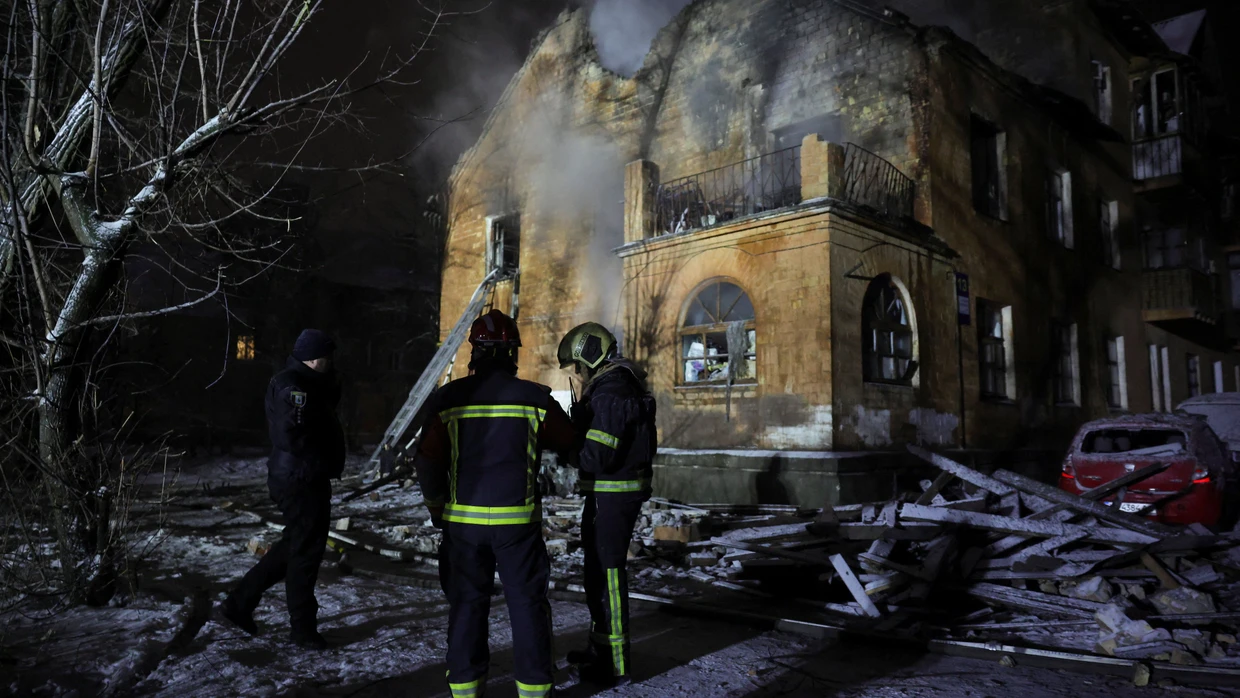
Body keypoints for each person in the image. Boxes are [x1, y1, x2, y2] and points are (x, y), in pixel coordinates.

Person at [415, 309, 574, 698]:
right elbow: (572, 444)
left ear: (476, 351)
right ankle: (535, 690)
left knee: (467, 605)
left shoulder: (448, 399)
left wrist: (437, 508)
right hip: (517, 527)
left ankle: (466, 691)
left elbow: (427, 460)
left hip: (463, 528)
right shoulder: (536, 399)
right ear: (512, 353)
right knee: (527, 606)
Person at [219, 329, 346, 650]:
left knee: (295, 545)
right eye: (328, 358)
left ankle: (240, 603)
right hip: (299, 479)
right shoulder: (293, 386)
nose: (332, 364)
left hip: (304, 477)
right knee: (305, 554)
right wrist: (320, 456)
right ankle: (302, 629)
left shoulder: (307, 383)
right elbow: (291, 436)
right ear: (316, 358)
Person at [556, 322, 656, 687]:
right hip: (608, 495)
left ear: (589, 355)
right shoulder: (614, 387)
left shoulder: (611, 391)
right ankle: (600, 649)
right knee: (597, 575)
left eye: (577, 367)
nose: (578, 375)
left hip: (612, 495)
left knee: (609, 577)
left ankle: (615, 665)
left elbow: (597, 455)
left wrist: (566, 445)